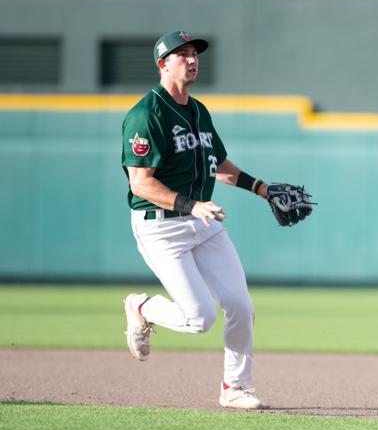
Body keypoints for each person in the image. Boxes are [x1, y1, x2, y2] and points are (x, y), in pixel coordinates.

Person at [121, 30, 312, 410]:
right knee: (199, 318)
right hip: (161, 227)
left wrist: (261, 188)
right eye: (182, 54)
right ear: (163, 64)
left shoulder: (198, 110)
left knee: (241, 306)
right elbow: (141, 184)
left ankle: (235, 388)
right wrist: (192, 205)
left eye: (194, 53)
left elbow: (217, 164)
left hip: (201, 222)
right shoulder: (146, 115)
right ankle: (141, 308)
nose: (191, 60)